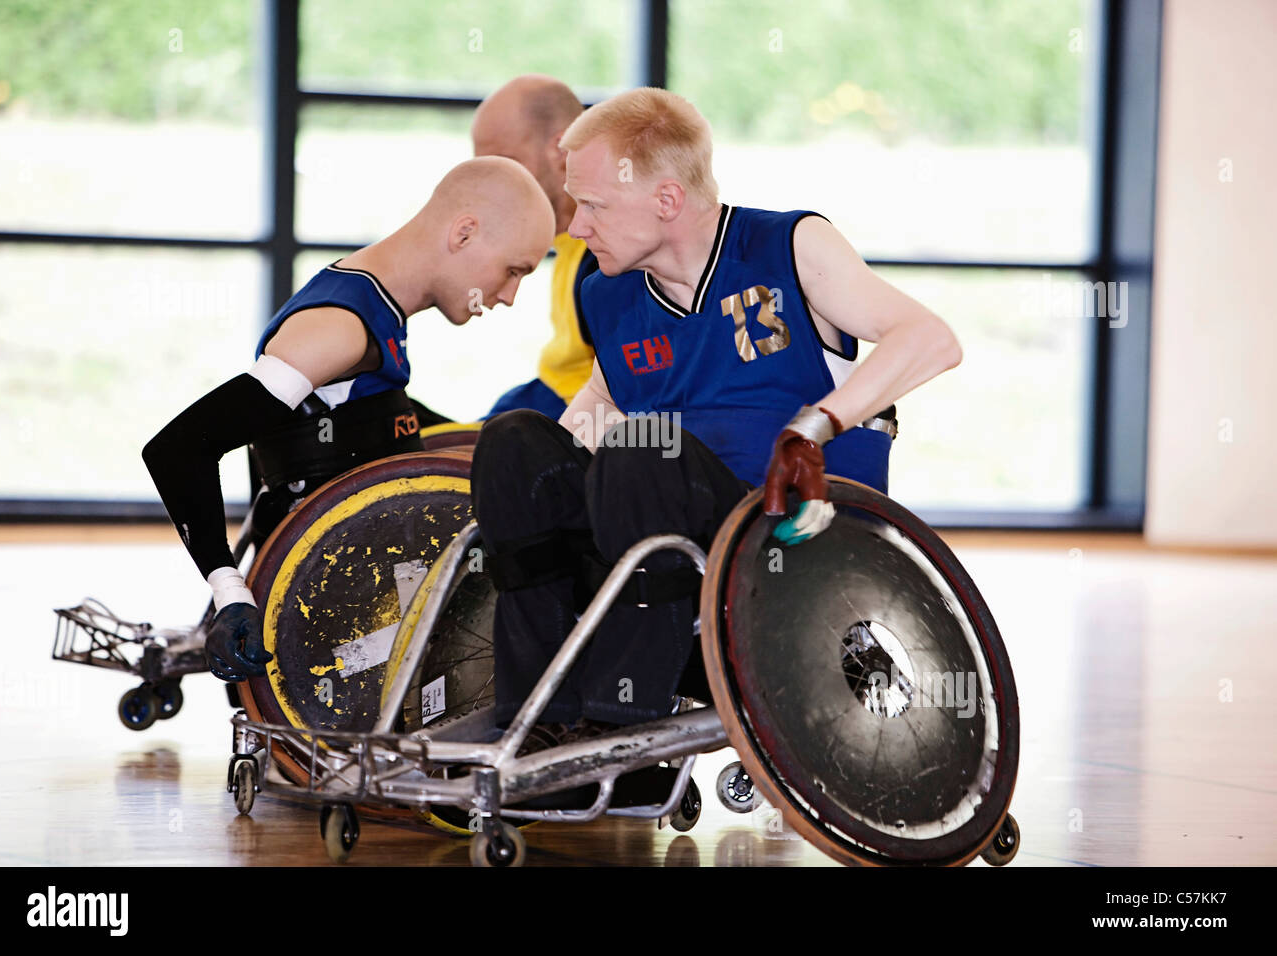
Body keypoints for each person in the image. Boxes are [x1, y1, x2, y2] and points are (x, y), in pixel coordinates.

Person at [471, 88, 962, 743]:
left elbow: (930, 339)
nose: (577, 227)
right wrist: (527, 488)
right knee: (514, 441)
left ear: (667, 200)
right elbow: (593, 410)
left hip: (787, 536)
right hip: (657, 538)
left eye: (592, 205)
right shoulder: (608, 293)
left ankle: (624, 720)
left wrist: (815, 425)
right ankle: (537, 719)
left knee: (643, 449)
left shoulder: (787, 246)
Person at [143, 156, 555, 682]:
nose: (508, 296)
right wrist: (230, 594)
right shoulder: (339, 328)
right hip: (331, 622)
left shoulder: (375, 307)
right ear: (465, 233)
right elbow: (180, 448)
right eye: (514, 270)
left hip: (363, 583)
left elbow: (384, 423)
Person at [471, 74, 599, 420]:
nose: (490, 186)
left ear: (560, 151)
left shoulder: (607, 257)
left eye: (504, 161)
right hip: (542, 395)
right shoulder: (570, 242)